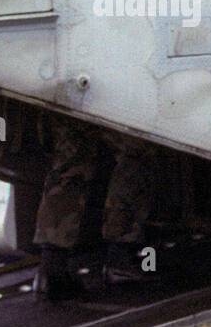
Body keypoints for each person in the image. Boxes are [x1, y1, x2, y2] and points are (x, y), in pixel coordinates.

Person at [32, 118, 159, 300]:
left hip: (68, 101)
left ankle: (51, 270)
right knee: (138, 154)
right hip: (114, 100)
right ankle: (120, 258)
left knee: (70, 165)